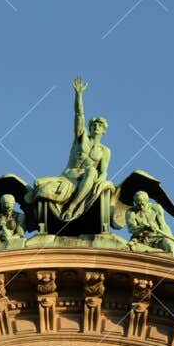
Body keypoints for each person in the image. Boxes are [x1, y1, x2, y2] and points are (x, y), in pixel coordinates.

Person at [28, 77, 113, 231]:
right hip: (67, 178)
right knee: (38, 185)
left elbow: (103, 172)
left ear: (104, 130)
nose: (96, 127)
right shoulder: (81, 138)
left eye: (100, 126)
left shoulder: (105, 151)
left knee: (92, 171)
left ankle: (73, 207)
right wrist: (78, 95)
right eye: (94, 124)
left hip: (87, 179)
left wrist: (102, 182)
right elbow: (79, 115)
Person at [125, 189, 174, 257]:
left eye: (142, 204)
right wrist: (144, 227)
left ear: (147, 201)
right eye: (138, 204)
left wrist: (173, 240)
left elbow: (163, 226)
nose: (141, 206)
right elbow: (131, 229)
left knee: (169, 244)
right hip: (142, 240)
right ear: (134, 202)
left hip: (158, 239)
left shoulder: (156, 208)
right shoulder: (131, 212)